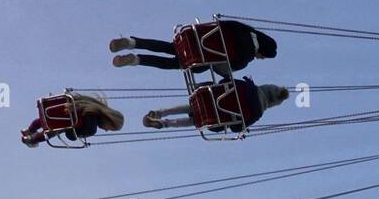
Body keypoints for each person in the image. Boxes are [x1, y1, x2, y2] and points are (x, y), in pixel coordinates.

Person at [110, 21, 278, 74]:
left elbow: (216, 23)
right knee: (173, 64)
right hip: (200, 59)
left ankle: (131, 42)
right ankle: (136, 60)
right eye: (263, 56)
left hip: (194, 38)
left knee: (171, 47)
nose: (260, 58)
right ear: (262, 51)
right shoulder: (245, 59)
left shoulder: (240, 27)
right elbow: (222, 69)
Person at [142, 78, 289, 132]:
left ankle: (160, 112)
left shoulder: (246, 85)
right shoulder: (256, 114)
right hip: (216, 118)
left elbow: (225, 83)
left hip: (211, 98)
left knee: (195, 105)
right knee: (198, 121)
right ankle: (165, 125)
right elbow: (237, 127)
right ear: (272, 104)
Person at [21, 94, 124, 147]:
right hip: (61, 123)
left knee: (45, 120)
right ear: (109, 121)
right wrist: (75, 137)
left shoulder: (89, 105)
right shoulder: (91, 128)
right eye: (109, 129)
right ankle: (31, 139)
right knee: (53, 131)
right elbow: (71, 135)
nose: (106, 130)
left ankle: (29, 130)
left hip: (52, 110)